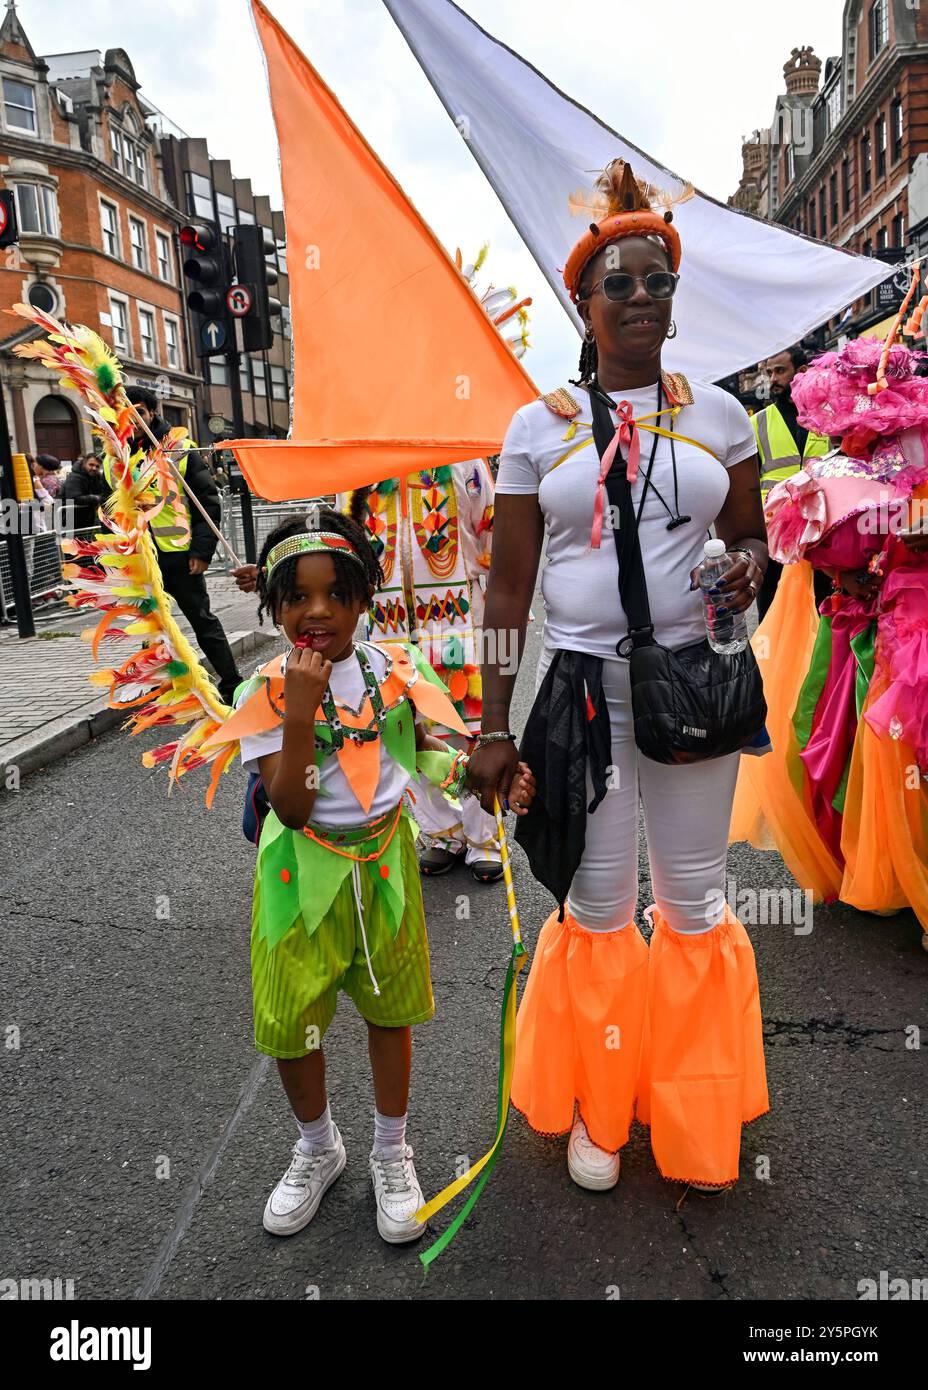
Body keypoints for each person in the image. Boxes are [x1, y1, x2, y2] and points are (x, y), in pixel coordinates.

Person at [468, 158, 769, 1194]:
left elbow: (752, 546)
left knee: (691, 899)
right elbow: (507, 591)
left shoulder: (724, 418)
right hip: (581, 694)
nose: (641, 297)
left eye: (658, 282)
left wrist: (744, 574)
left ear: (674, 304)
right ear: (581, 301)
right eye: (620, 283)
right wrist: (489, 725)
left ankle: (691, 1105)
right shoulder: (533, 428)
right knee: (598, 907)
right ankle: (603, 1107)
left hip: (694, 688)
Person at [217, 505, 536, 1239]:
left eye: (336, 594)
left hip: (387, 867)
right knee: (292, 1023)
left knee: (390, 1013)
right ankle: (317, 1148)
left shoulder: (395, 672)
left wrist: (475, 775)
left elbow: (419, 753)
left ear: (365, 598)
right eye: (296, 597)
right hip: (300, 876)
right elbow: (291, 807)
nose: (317, 612)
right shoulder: (263, 692)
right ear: (273, 606)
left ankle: (392, 1152)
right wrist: (299, 714)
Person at [732, 333, 928, 948]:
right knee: (851, 743)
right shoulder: (841, 450)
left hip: (906, 622)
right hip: (856, 623)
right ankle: (874, 863)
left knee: (907, 750)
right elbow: (815, 540)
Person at [341, 463, 505, 883]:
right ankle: (441, 830)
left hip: (457, 618)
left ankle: (483, 834)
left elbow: (493, 529)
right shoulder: (362, 472)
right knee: (404, 728)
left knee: (464, 725)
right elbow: (345, 547)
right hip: (391, 625)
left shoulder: (464, 463)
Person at [111, 387, 243, 706]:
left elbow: (207, 503)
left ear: (153, 413)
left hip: (180, 556)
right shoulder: (113, 454)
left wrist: (201, 551)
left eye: (138, 411)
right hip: (142, 559)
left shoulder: (179, 450)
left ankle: (232, 681)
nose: (132, 418)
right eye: (125, 412)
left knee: (202, 620)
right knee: (152, 625)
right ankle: (163, 683)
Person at [753, 347, 830, 617]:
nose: (772, 378)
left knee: (822, 602)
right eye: (769, 372)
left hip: (821, 528)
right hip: (776, 532)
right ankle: (769, 658)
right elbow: (749, 484)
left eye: (779, 371)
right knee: (772, 606)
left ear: (802, 372)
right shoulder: (758, 423)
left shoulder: (828, 417)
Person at [61, 451, 106, 531]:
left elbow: (102, 493)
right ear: (84, 463)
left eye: (97, 466)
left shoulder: (97, 477)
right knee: (68, 542)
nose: (94, 468)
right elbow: (73, 498)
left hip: (85, 518)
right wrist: (95, 498)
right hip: (68, 519)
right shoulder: (74, 478)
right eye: (91, 465)